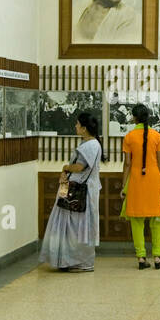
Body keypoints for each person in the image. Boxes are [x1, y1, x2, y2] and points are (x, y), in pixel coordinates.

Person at [40, 113, 104, 273]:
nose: (75, 127)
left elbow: (80, 167)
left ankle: (78, 261)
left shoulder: (89, 145)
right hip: (83, 189)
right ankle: (72, 259)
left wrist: (65, 167)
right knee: (78, 226)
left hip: (80, 191)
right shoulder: (92, 143)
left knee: (76, 226)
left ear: (84, 128)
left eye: (77, 124)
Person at [121, 103, 160, 268]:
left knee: (136, 220)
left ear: (134, 118)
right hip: (156, 182)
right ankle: (157, 257)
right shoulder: (157, 136)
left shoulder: (129, 137)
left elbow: (127, 164)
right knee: (158, 219)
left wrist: (123, 186)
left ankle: (141, 258)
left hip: (135, 182)